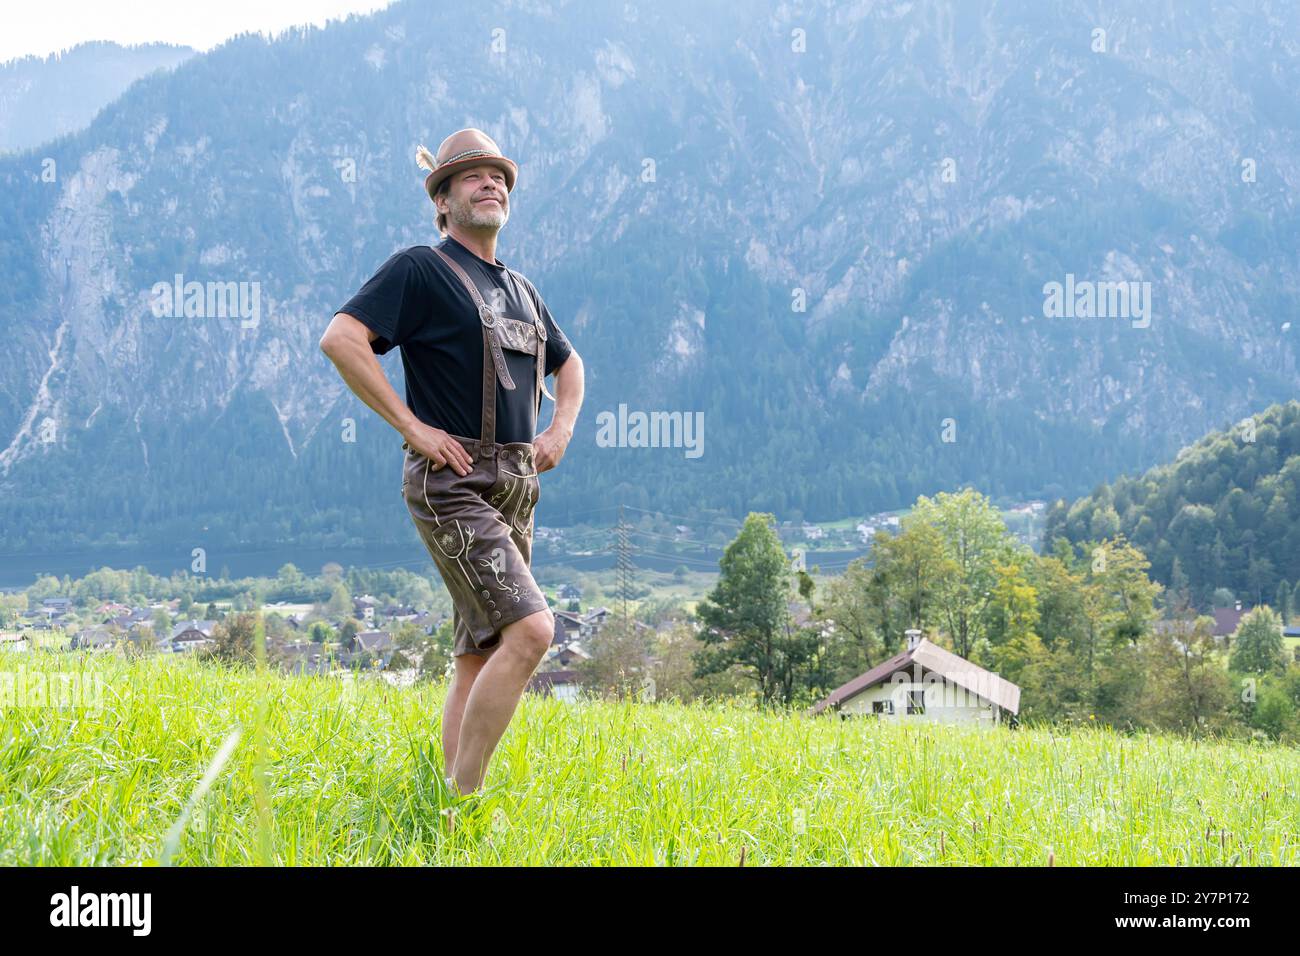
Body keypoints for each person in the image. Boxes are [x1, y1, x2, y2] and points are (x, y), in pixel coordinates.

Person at [319, 128, 585, 797]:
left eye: (498, 175)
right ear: (442, 202)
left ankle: (444, 794)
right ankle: (463, 804)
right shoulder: (419, 269)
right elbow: (342, 338)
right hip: (454, 483)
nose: (490, 183)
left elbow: (570, 364)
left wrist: (559, 431)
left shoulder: (522, 289)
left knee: (481, 653)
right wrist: (411, 425)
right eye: (471, 176)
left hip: (518, 486)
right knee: (531, 631)